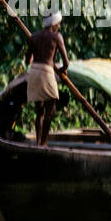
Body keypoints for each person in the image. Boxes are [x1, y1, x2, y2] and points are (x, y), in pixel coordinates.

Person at [25, 12, 70, 147]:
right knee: (51, 108)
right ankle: (43, 143)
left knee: (39, 110)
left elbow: (27, 60)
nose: (59, 26)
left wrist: (35, 58)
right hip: (46, 72)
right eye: (59, 23)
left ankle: (38, 141)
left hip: (33, 72)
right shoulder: (57, 37)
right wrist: (62, 70)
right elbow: (66, 62)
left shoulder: (34, 37)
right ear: (54, 23)